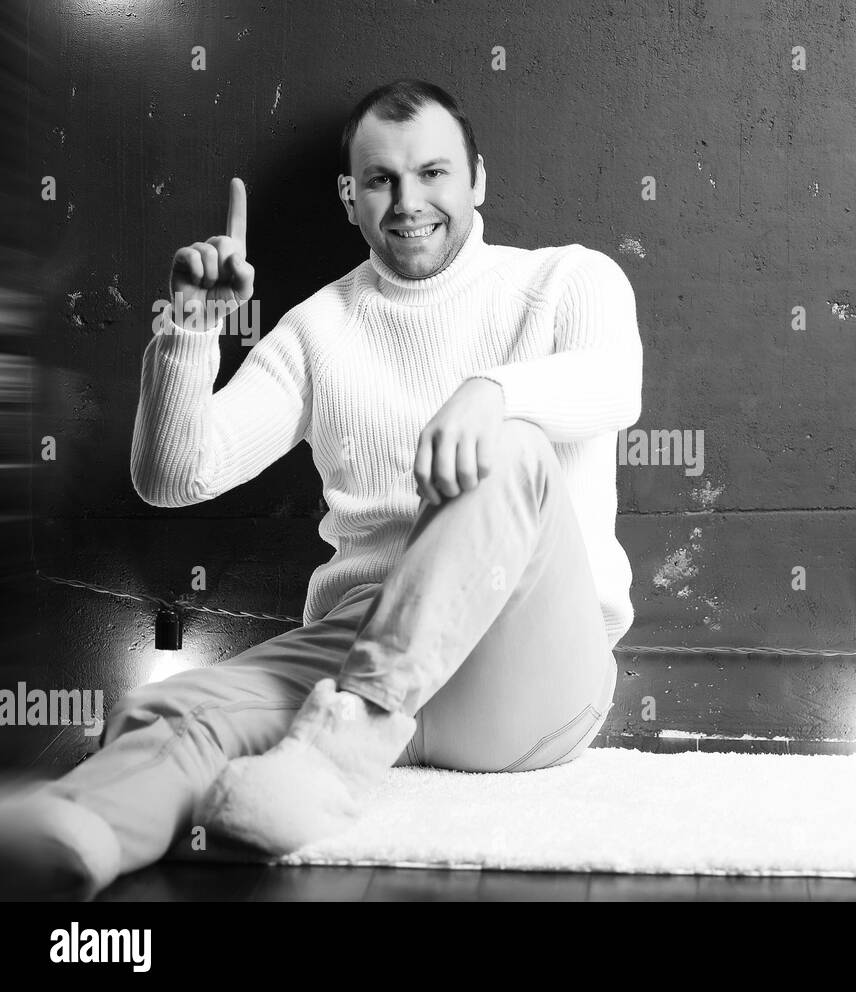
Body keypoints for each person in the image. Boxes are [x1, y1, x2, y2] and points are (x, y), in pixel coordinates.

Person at [0, 78, 642, 900]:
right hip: (354, 650)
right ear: (350, 197)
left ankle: (347, 742)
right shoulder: (319, 329)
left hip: (523, 675)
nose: (409, 202)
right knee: (171, 714)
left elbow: (616, 386)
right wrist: (190, 329)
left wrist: (493, 391)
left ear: (478, 180)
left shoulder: (569, 281)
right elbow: (174, 477)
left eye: (434, 174)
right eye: (381, 180)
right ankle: (73, 841)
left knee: (509, 447)